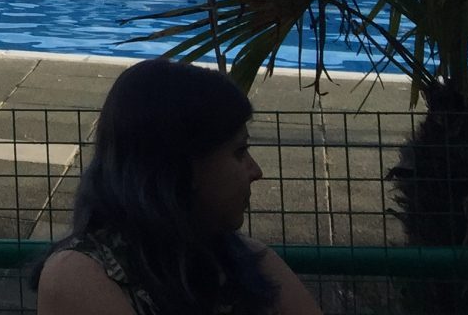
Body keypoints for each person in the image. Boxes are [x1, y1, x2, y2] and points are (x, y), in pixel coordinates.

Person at [35, 58, 323, 315]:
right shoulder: (80, 276)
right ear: (183, 167)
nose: (256, 171)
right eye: (239, 152)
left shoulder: (247, 259)